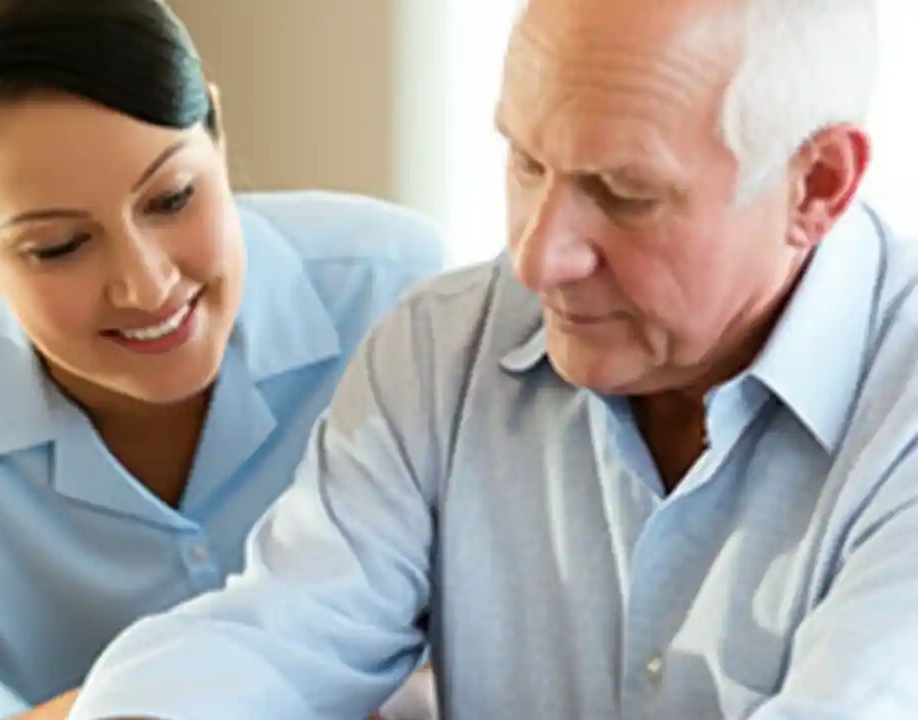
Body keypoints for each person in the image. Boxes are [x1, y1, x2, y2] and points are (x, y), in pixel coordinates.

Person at [69, 0, 918, 718]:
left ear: (817, 186)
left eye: (625, 197)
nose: (538, 258)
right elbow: (283, 633)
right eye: (526, 161)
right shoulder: (445, 347)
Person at [0, 0, 446, 718]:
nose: (147, 284)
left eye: (173, 198)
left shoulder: (405, 300)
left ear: (215, 139)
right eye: (60, 247)